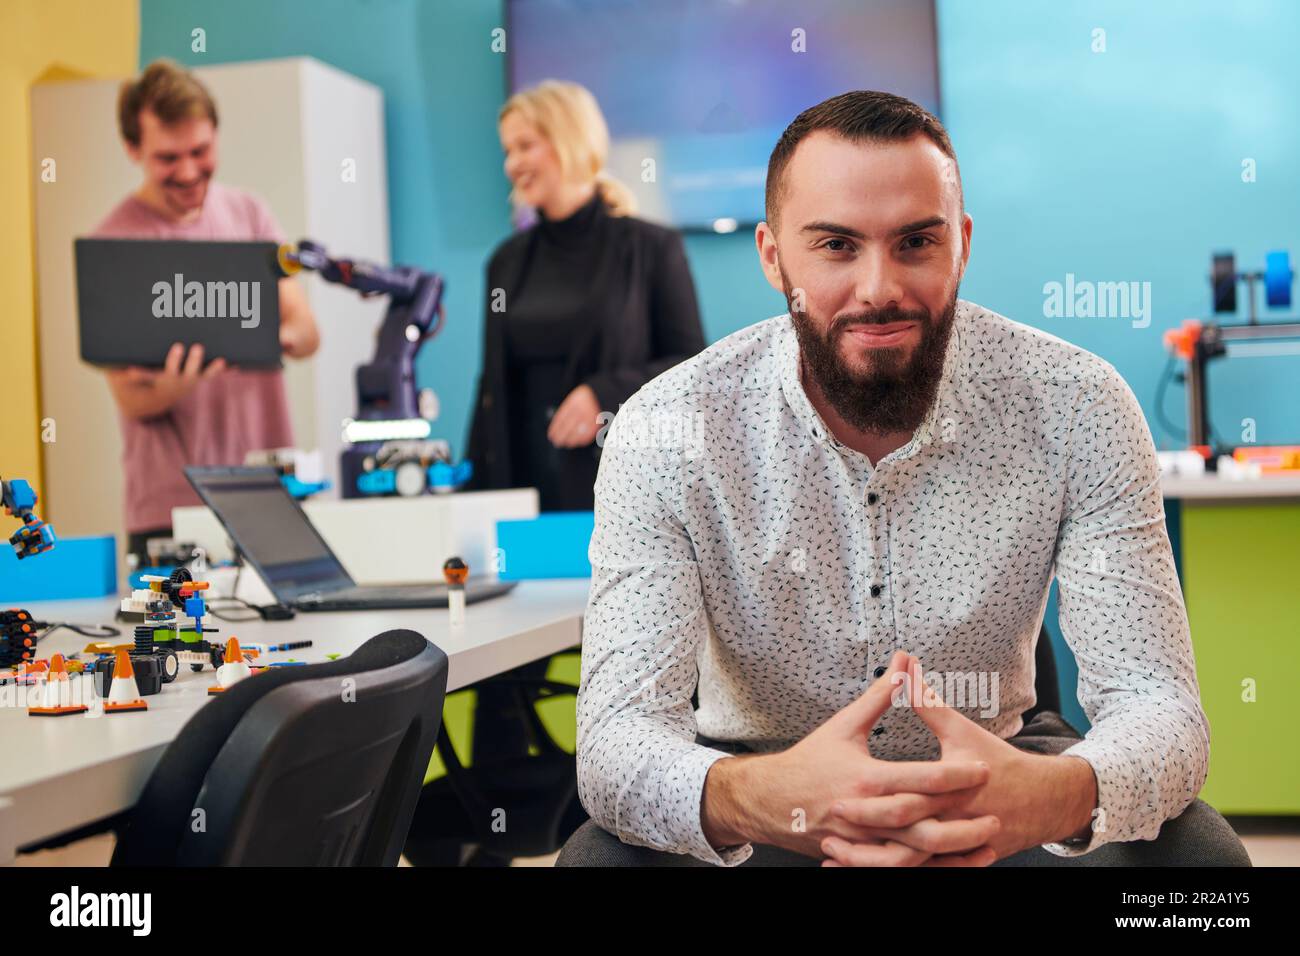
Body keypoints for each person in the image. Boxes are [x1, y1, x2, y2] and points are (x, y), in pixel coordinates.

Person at [564, 91, 1248, 867]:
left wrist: (1052, 795)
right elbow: (615, 742)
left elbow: (1161, 709)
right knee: (598, 862)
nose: (878, 287)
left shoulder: (1077, 406)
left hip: (998, 786)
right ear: (772, 255)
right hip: (763, 798)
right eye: (835, 245)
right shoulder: (666, 427)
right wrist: (770, 798)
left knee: (1202, 868)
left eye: (915, 242)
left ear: (960, 244)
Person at [90, 59, 319, 564]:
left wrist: (253, 336)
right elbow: (131, 399)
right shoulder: (114, 244)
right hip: (168, 509)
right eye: (168, 157)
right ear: (133, 150)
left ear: (215, 134)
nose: (190, 171)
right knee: (176, 643)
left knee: (297, 642)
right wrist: (179, 384)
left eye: (201, 150)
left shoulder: (250, 214)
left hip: (267, 494)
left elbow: (305, 334)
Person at [465, 79, 705, 511]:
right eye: (507, 150)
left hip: (625, 492)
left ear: (568, 140)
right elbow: (491, 388)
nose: (511, 163)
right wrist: (476, 500)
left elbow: (690, 368)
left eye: (525, 145)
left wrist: (604, 392)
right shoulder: (504, 262)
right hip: (526, 494)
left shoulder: (651, 248)